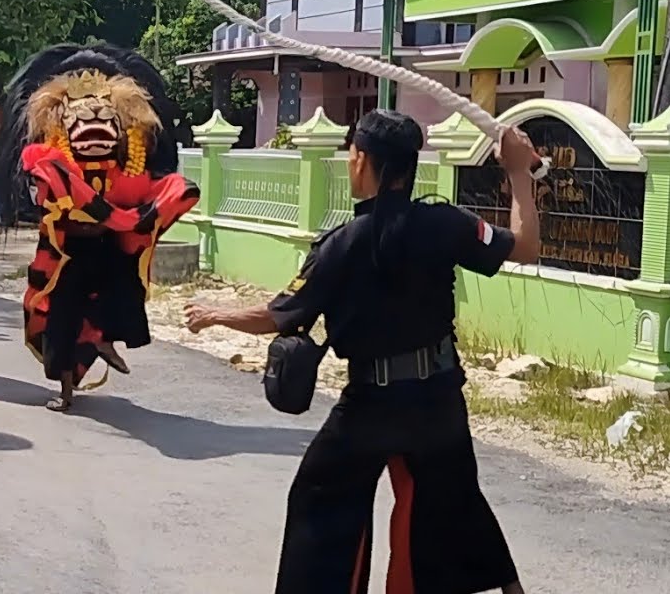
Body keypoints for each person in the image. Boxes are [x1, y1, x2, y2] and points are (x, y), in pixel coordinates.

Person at [184, 109, 538, 594]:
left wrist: (216, 314)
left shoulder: (342, 244)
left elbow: (279, 315)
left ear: (364, 161)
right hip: (437, 400)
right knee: (449, 504)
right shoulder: (443, 222)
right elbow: (524, 246)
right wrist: (518, 172)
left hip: (371, 403)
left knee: (320, 497)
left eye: (351, 152)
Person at [0, 43, 199, 411]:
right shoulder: (50, 164)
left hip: (109, 247)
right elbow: (44, 184)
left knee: (125, 295)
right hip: (66, 255)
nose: (93, 128)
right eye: (82, 121)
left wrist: (162, 201)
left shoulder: (127, 171)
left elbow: (153, 192)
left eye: (104, 120)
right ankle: (67, 389)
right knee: (61, 321)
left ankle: (105, 340)